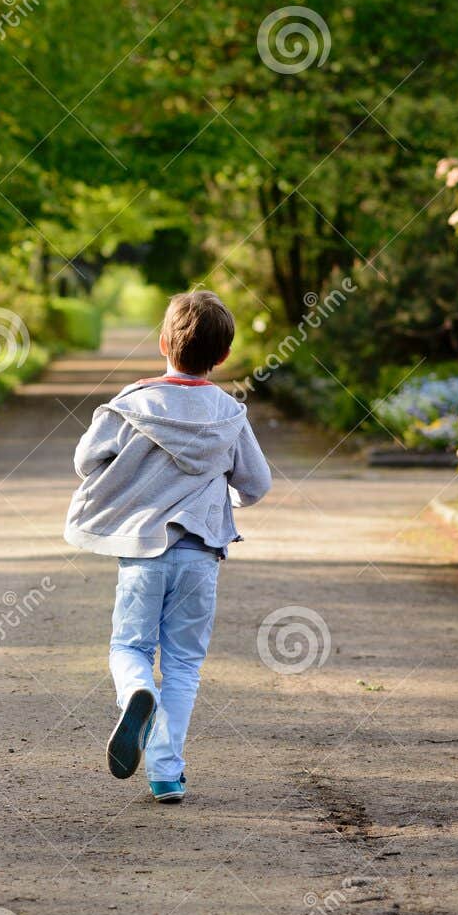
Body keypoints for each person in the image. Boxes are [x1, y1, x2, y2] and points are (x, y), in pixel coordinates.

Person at [63, 290, 272, 803]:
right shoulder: (229, 413)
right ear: (221, 357)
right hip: (200, 555)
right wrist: (222, 498)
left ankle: (137, 690)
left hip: (141, 551)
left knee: (130, 646)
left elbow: (85, 462)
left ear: (163, 342)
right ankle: (165, 772)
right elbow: (256, 483)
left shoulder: (130, 404)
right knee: (183, 663)